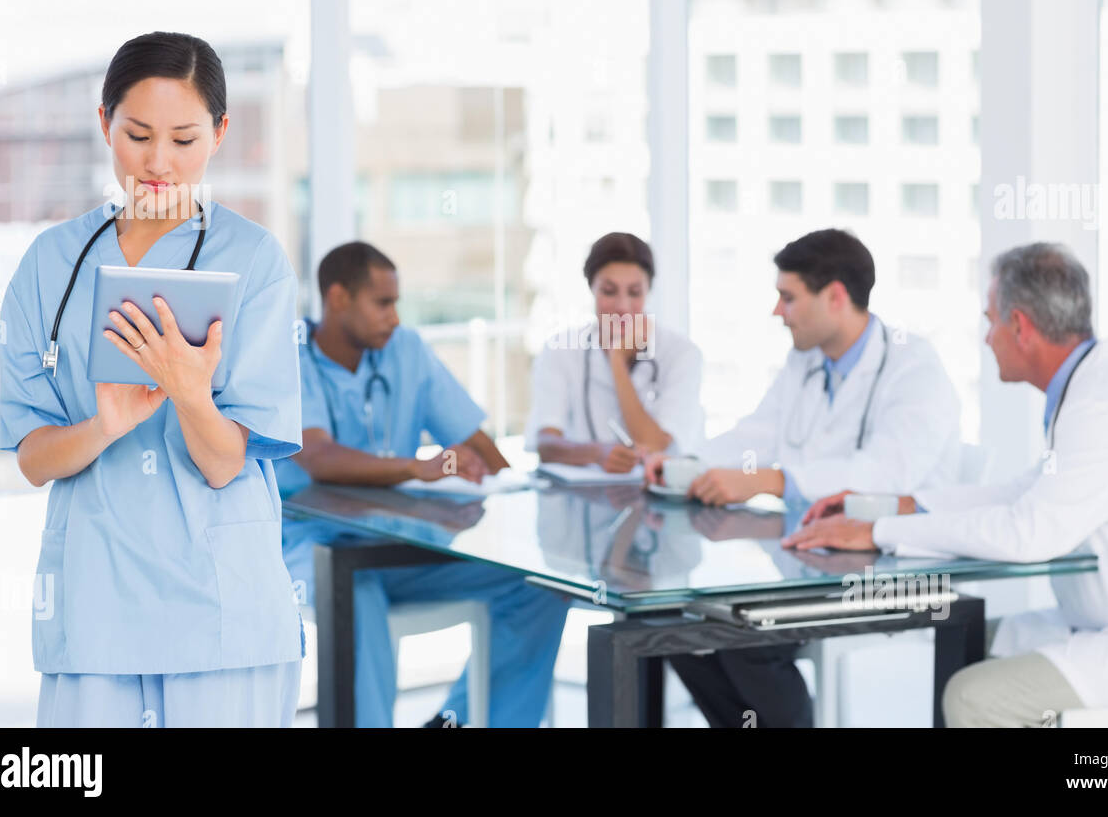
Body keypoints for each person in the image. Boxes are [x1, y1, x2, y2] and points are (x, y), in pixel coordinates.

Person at [786, 242, 1108, 726]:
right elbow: (1020, 492)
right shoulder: (1093, 388)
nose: (987, 339)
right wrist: (893, 507)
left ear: (1020, 327)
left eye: (990, 321)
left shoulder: (1105, 407)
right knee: (968, 645)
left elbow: (1028, 532)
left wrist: (879, 534)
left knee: (973, 697)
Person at [0, 32, 304, 727]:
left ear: (220, 134)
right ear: (104, 121)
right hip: (94, 609)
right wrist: (105, 425)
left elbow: (226, 465)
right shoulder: (51, 264)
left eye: (185, 139)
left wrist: (189, 391)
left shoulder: (254, 262)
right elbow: (31, 457)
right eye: (137, 135)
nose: (158, 162)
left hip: (221, 615)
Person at [645, 228, 962, 727]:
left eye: (787, 297)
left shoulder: (914, 367)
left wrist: (770, 480)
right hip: (809, 556)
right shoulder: (806, 361)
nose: (778, 312)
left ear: (835, 296)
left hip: (886, 568)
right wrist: (685, 462)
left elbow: (886, 474)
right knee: (681, 624)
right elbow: (760, 431)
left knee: (750, 638)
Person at [276, 241, 569, 727]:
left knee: (540, 585)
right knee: (356, 592)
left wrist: (512, 490)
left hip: (401, 550)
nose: (394, 317)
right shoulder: (292, 356)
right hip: (314, 552)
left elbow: (476, 443)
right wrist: (417, 467)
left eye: (397, 304)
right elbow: (320, 458)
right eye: (383, 303)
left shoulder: (405, 350)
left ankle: (453, 722)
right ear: (338, 298)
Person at [526, 232, 704, 472]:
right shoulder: (560, 349)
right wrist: (594, 453)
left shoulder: (681, 354)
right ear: (592, 289)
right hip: (581, 497)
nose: (622, 306)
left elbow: (652, 444)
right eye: (609, 291)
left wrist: (617, 361)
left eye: (634, 292)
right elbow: (546, 444)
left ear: (648, 291)